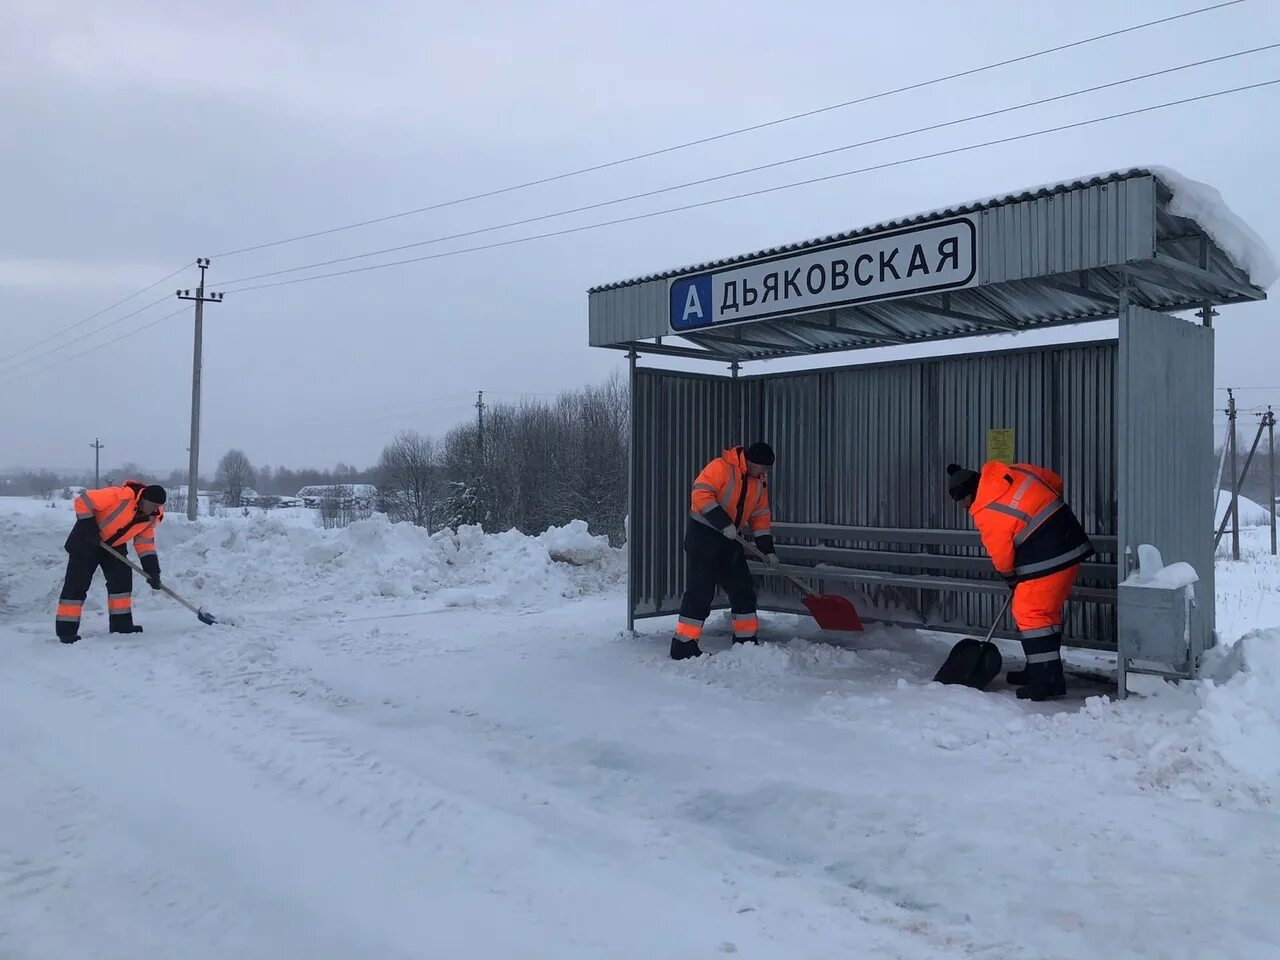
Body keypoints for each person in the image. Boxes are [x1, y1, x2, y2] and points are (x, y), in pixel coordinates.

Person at [946, 461, 1094, 700]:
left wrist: (1010, 577)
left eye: (962, 502)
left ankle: (1047, 681)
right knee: (1044, 614)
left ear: (970, 493)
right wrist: (1041, 511)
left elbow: (1002, 556)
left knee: (1029, 611)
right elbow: (1055, 480)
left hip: (1049, 555)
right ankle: (1040, 670)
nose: (964, 508)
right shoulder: (1013, 471)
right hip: (1069, 540)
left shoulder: (986, 508)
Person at [671, 442, 779, 660]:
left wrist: (767, 549)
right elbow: (700, 494)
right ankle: (683, 646)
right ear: (752, 462)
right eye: (763, 468)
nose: (765, 473)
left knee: (743, 589)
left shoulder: (758, 482)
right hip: (704, 535)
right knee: (701, 591)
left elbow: (760, 516)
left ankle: (746, 642)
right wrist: (722, 522)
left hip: (730, 538)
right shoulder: (720, 467)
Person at [56, 481, 166, 644]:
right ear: (143, 498)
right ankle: (66, 631)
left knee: (121, 582)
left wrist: (153, 571)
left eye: (158, 505)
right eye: (152, 504)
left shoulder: (152, 517)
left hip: (113, 546)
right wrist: (89, 527)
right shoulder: (120, 496)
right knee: (76, 585)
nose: (154, 509)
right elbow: (83, 501)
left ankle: (121, 625)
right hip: (86, 541)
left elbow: (145, 544)